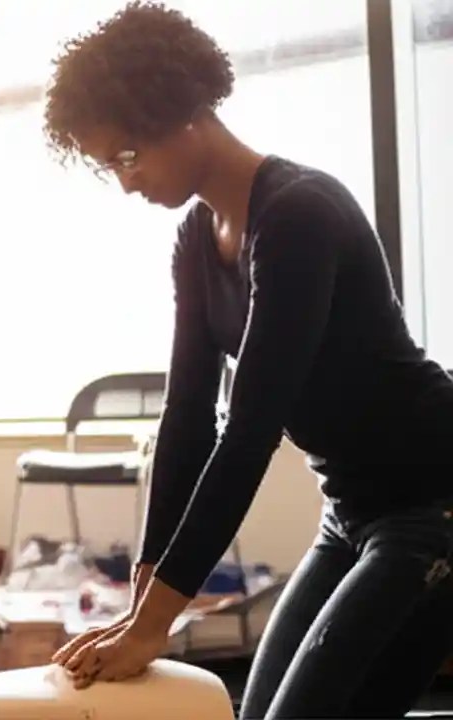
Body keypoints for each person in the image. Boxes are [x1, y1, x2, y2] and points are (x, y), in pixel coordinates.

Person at [40, 2, 453, 717]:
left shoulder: (299, 214)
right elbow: (188, 417)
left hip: (433, 502)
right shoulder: (197, 240)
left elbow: (249, 429)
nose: (125, 182)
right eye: (110, 166)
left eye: (128, 156)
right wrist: (145, 593)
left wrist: (154, 625)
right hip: (349, 513)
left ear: (184, 112)